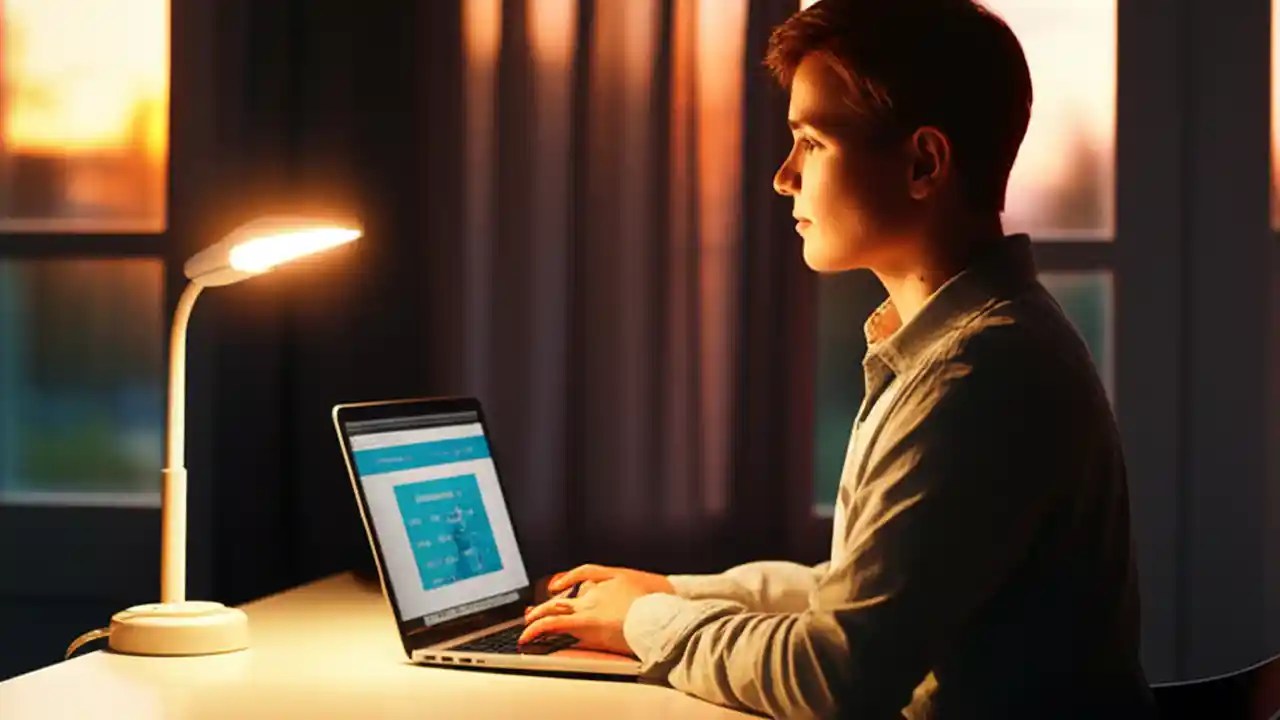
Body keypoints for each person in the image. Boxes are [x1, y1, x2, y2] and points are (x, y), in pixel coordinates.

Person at [518, 0, 1153, 717]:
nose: (783, 177)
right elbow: (857, 589)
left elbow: (836, 675)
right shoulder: (962, 346)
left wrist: (646, 623)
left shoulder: (980, 377)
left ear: (923, 162)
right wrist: (670, 593)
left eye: (812, 142)